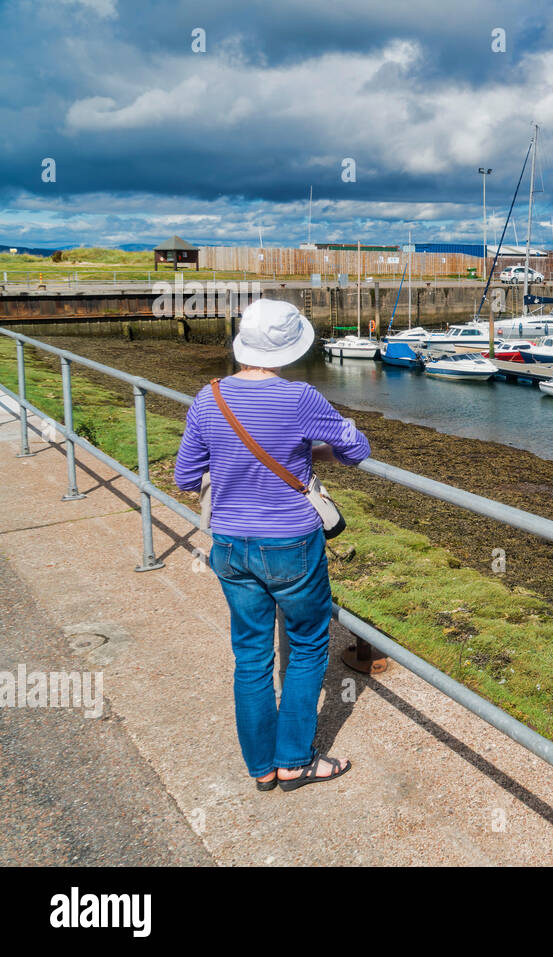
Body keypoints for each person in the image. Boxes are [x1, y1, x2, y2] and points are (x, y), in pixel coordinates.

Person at [175, 298, 371, 792]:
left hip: (230, 545)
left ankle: (261, 767)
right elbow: (357, 449)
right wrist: (309, 449)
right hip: (290, 544)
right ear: (290, 349)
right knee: (307, 647)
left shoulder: (209, 396)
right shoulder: (300, 398)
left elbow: (184, 477)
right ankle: (294, 762)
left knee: (251, 656)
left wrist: (235, 458)